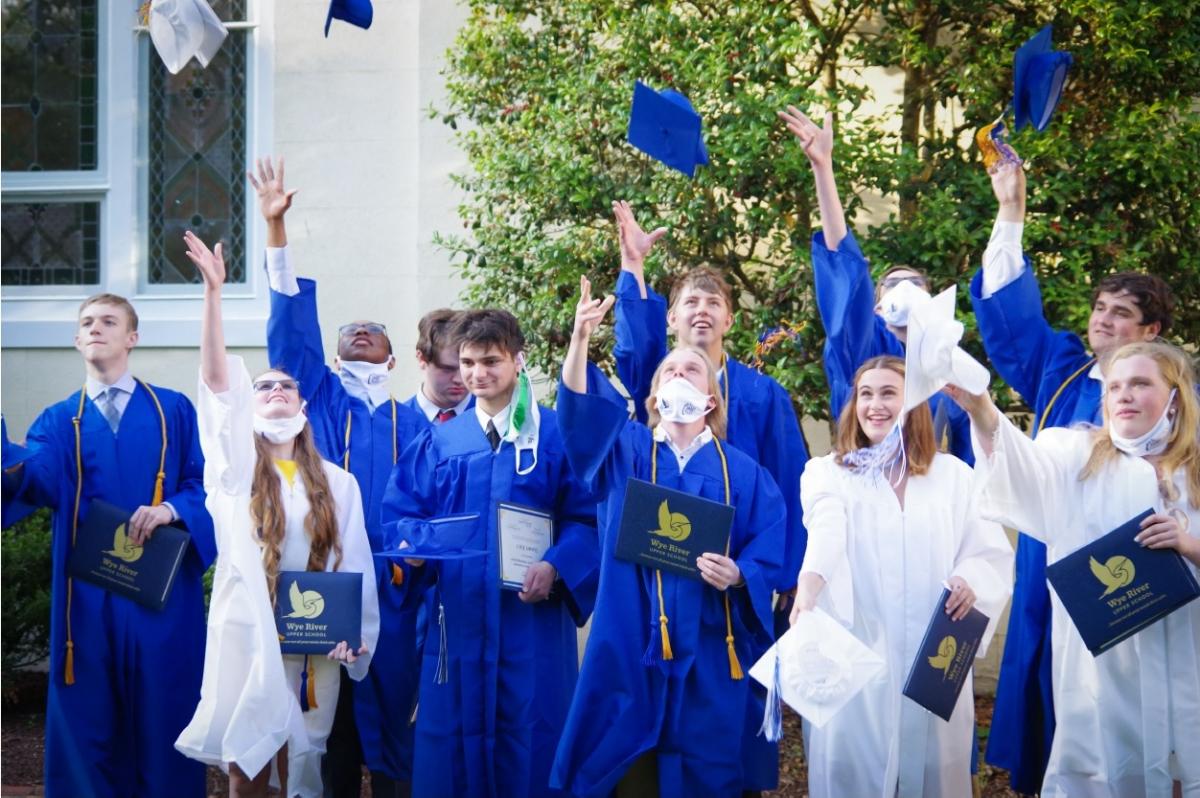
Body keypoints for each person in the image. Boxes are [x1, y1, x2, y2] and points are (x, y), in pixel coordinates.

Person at [968, 153, 1177, 792]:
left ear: (1153, 330)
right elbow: (1008, 319)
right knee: (1047, 676)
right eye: (1100, 308)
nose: (1102, 320)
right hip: (1052, 557)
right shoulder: (1061, 371)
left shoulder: (1174, 392)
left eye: (1120, 314)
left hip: (1133, 565)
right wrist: (1010, 211)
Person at [551, 277, 785, 798]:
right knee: (630, 772)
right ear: (654, 393)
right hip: (632, 639)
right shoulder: (625, 450)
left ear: (710, 397)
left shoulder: (742, 473)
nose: (681, 374)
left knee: (706, 772)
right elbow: (581, 411)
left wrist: (742, 574)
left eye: (693, 369)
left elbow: (768, 546)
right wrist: (580, 340)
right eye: (670, 370)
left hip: (708, 645)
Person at [176, 231, 380, 796]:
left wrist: (353, 638)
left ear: (303, 403)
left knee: (304, 761)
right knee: (248, 764)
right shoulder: (235, 470)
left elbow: (353, 561)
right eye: (262, 385)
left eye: (284, 384)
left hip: (315, 639)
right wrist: (213, 296)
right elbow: (217, 384)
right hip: (249, 629)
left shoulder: (339, 483)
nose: (273, 390)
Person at [950, 340, 1200, 797]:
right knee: (1102, 770)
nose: (1123, 394)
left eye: (1141, 383)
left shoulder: (1195, 471)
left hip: (1190, 654)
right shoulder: (1075, 459)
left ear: (1175, 395)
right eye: (1115, 386)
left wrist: (1189, 545)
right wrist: (981, 407)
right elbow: (1019, 470)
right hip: (1103, 671)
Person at [253, 157, 427, 798]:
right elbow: (289, 330)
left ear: (391, 355)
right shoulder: (317, 399)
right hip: (314, 593)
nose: (361, 332)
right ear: (331, 353)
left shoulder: (416, 425)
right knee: (323, 731)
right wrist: (277, 231)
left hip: (395, 596)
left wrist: (408, 566)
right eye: (350, 329)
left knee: (391, 737)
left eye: (374, 330)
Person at [0, 293, 215, 796]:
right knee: (88, 715)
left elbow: (206, 484)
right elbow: (39, 478)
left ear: (131, 338)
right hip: (88, 602)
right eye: (87, 322)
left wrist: (173, 509)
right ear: (76, 340)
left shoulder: (172, 411)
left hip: (159, 594)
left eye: (109, 321)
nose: (96, 328)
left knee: (166, 709)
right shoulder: (58, 420)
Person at [382, 308, 600, 798]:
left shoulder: (552, 437)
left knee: (532, 737)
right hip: (458, 623)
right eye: (467, 362)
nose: (476, 374)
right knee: (452, 749)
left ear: (518, 361)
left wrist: (557, 565)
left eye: (490, 361)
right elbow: (402, 516)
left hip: (531, 624)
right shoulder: (439, 442)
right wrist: (412, 552)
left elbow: (587, 519)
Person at [790, 355, 1013, 796]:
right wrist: (809, 587)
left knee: (933, 769)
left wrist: (971, 580)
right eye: (866, 394)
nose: (875, 404)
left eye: (889, 393)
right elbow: (826, 527)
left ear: (913, 403)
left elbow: (988, 552)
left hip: (935, 652)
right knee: (853, 766)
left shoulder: (953, 477)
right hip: (859, 645)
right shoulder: (828, 473)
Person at [779, 106, 974, 464]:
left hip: (928, 495)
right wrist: (823, 169)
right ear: (877, 305)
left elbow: (970, 457)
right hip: (864, 485)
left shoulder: (949, 363)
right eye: (892, 284)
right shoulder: (863, 351)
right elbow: (847, 275)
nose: (904, 289)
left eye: (914, 283)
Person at [406, 308, 473, 424]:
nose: (459, 379)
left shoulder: (497, 418)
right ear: (421, 359)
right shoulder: (395, 424)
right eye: (447, 369)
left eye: (467, 366)